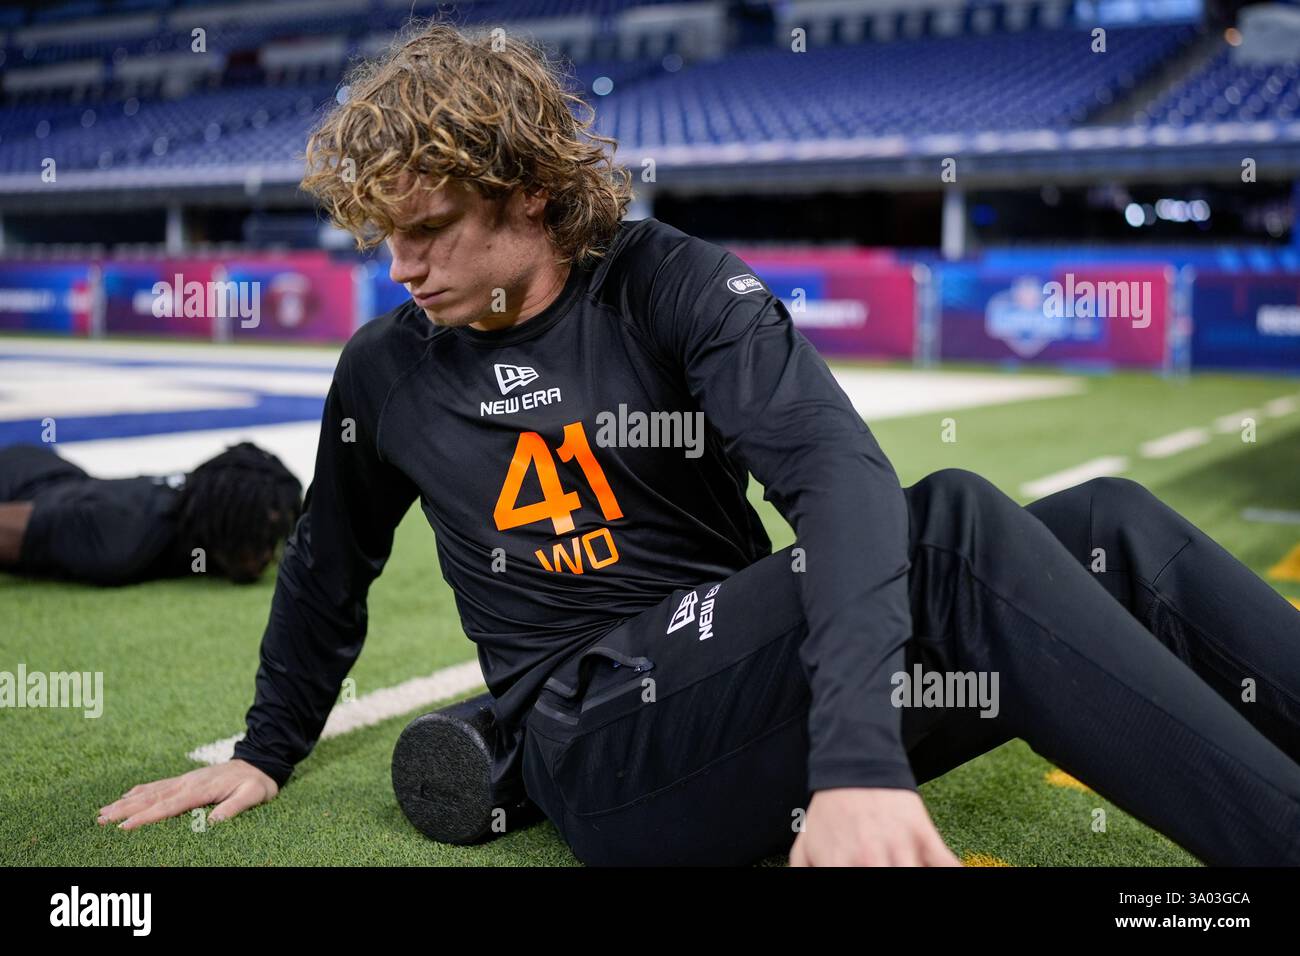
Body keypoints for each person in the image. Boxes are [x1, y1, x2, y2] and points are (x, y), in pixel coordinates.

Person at [96, 20, 1300, 866]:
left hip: (736, 685)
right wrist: (264, 750)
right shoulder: (386, 367)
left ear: (526, 192)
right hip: (594, 741)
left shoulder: (667, 283)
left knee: (1103, 523)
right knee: (961, 530)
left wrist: (853, 755)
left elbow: (835, 476)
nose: (401, 267)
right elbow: (326, 563)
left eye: (428, 229)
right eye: (383, 239)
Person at [0, 441, 302, 586]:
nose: (270, 556)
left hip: (54, 473)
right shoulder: (119, 540)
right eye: (261, 541)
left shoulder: (209, 500)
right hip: (20, 481)